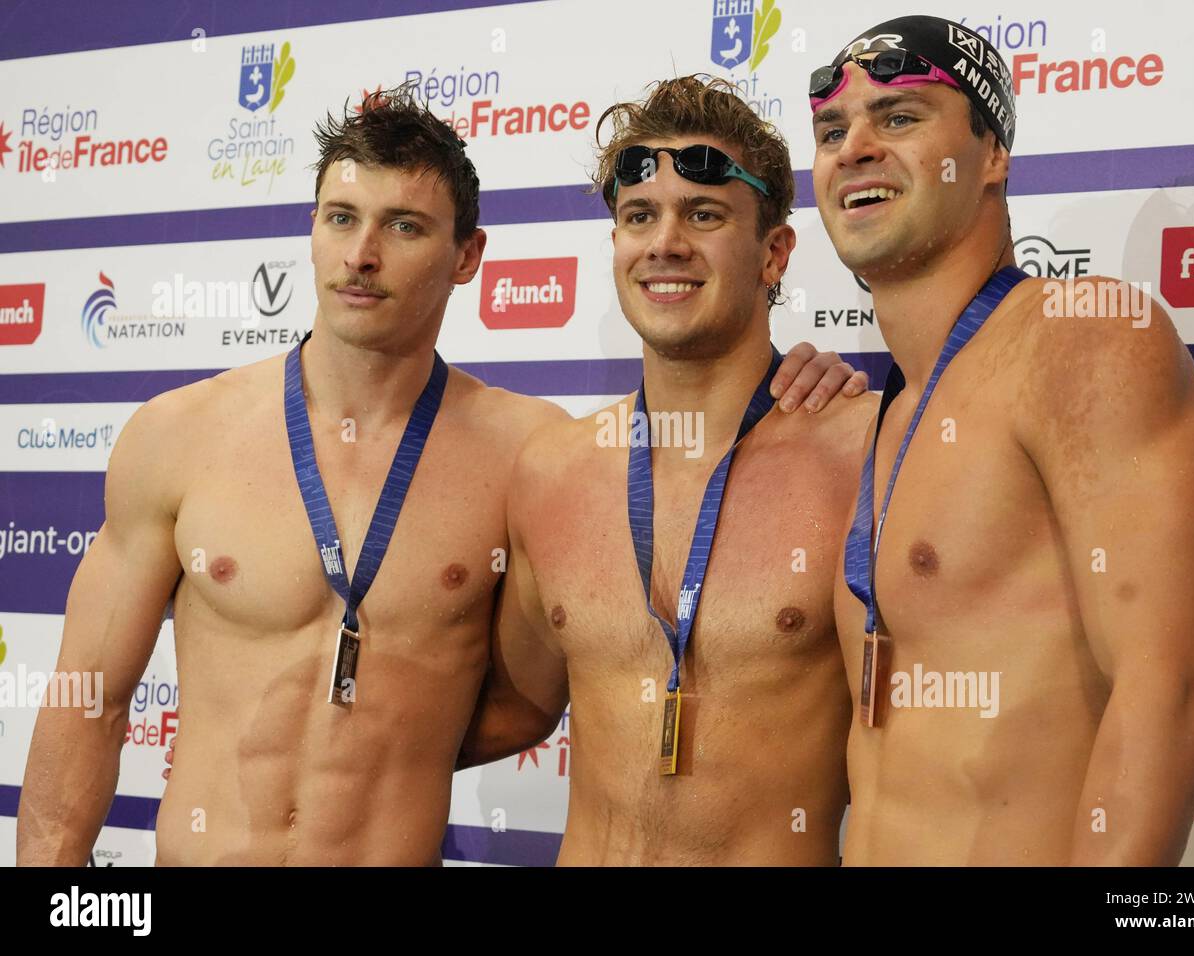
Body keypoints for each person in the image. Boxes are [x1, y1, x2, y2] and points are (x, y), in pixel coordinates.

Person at [17, 82, 858, 866]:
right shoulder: (178, 435)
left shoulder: (534, 456)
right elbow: (89, 701)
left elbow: (531, 700)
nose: (362, 255)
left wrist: (396, 742)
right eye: (341, 218)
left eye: (404, 227)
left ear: (466, 256)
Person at [809, 15, 1194, 864]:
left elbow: (1172, 692)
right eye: (830, 131)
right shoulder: (883, 409)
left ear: (993, 155)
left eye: (899, 117)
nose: (854, 148)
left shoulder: (1083, 340)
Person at [458, 76, 873, 865]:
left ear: (774, 253)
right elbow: (515, 708)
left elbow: (938, 749)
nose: (665, 243)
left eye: (704, 215)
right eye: (639, 216)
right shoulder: (552, 471)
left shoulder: (862, 452)